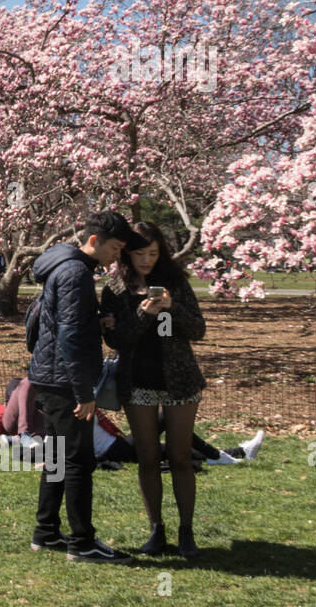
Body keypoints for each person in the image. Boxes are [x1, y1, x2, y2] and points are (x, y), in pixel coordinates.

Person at [27, 210, 148, 563]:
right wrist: (84, 393)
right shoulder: (76, 272)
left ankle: (46, 531)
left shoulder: (63, 265)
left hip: (49, 376)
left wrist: (96, 321)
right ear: (94, 241)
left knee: (57, 459)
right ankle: (83, 543)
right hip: (66, 382)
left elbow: (68, 322)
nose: (117, 257)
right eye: (115, 248)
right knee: (78, 461)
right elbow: (70, 336)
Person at [100, 221, 208, 557]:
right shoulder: (115, 288)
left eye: (153, 253)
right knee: (147, 457)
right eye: (139, 253)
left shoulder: (174, 283)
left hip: (179, 381)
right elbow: (117, 339)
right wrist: (145, 313)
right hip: (138, 382)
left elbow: (198, 330)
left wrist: (172, 307)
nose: (146, 260)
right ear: (127, 254)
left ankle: (186, 532)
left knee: (179, 457)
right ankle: (156, 530)